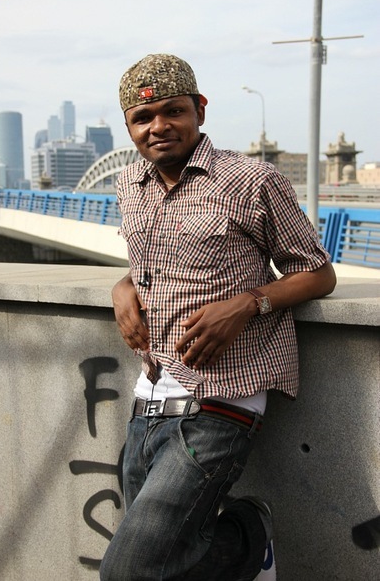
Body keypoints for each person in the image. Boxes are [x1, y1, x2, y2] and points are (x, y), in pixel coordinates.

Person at [100, 53, 336, 581]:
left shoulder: (251, 179)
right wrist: (122, 287)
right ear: (129, 127)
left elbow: (318, 273)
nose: (159, 126)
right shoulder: (129, 184)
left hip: (220, 400)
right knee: (164, 567)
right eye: (142, 118)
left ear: (200, 111)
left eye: (173, 111)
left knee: (128, 571)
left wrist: (248, 302)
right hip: (147, 399)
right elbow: (154, 264)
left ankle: (247, 535)